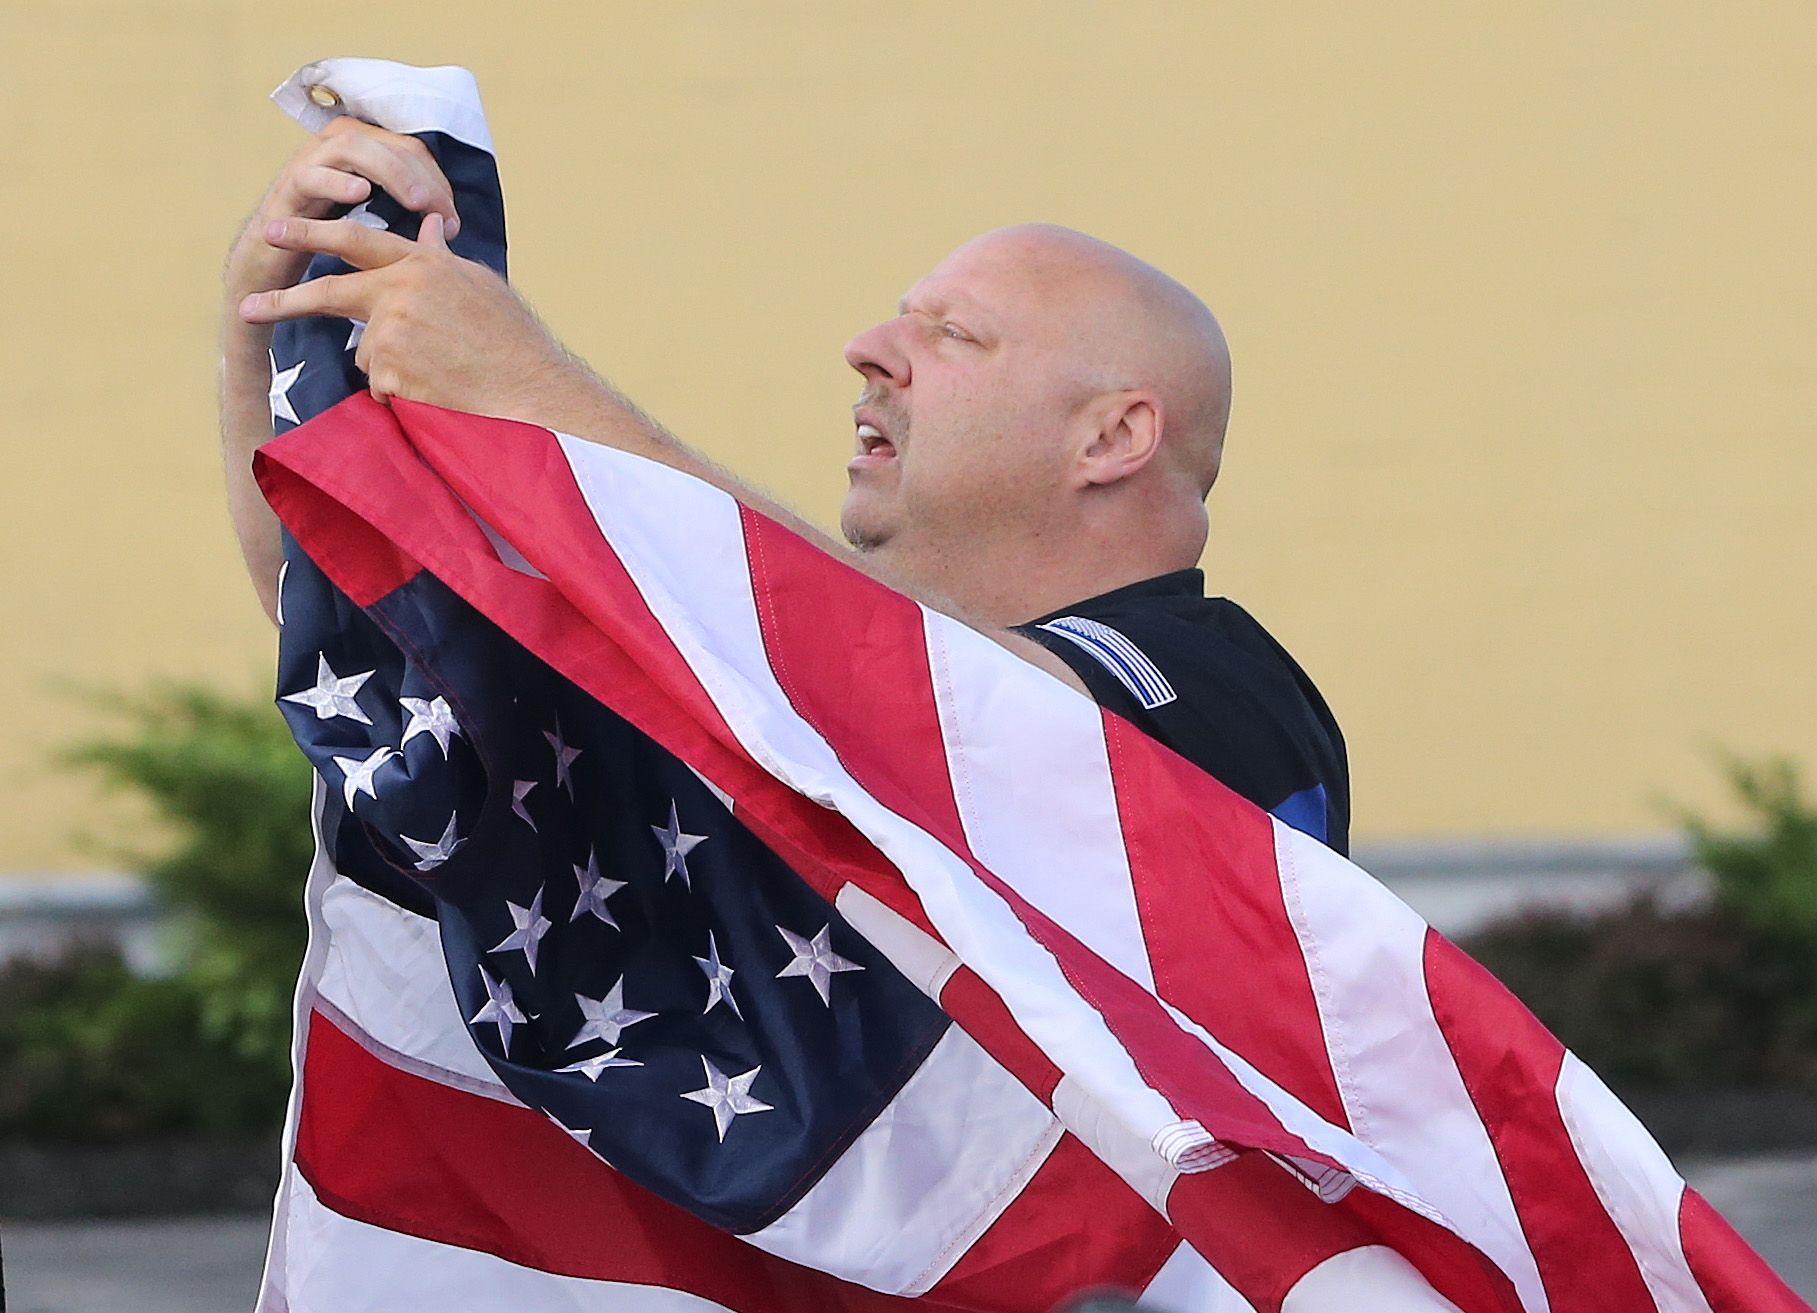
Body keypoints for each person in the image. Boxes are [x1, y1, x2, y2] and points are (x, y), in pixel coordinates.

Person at [220, 115, 1349, 853]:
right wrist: (262, 311)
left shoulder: (1217, 692)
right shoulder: (801, 690)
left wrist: (529, 385)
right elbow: (368, 625)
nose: (865, 348)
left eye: (950, 334)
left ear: (1112, 439)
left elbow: (962, 705)